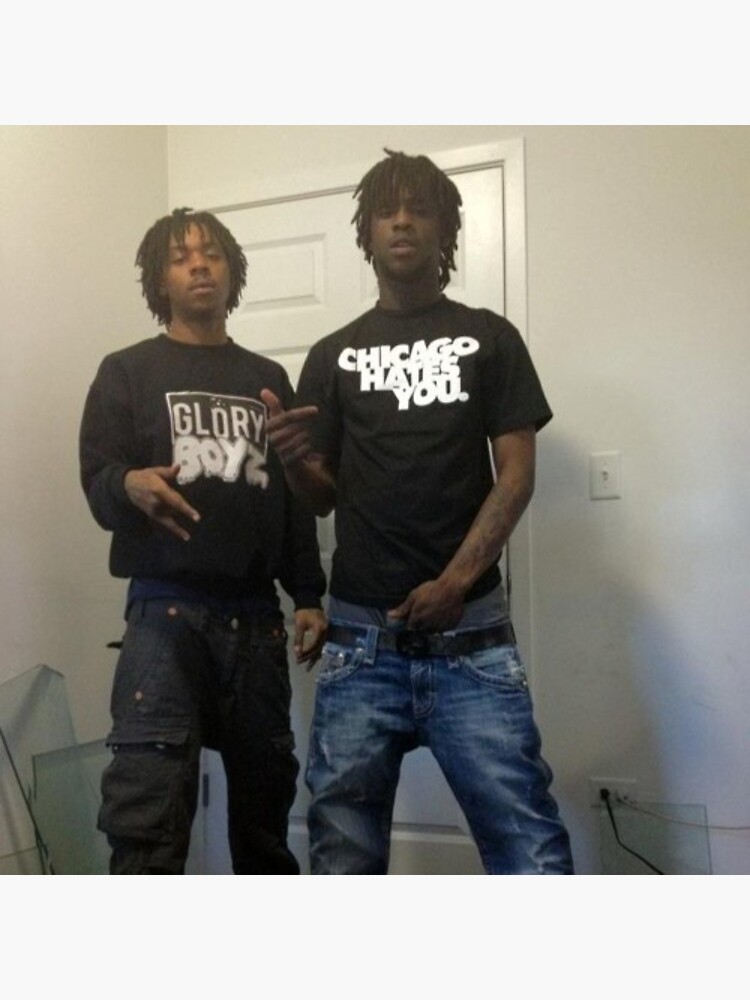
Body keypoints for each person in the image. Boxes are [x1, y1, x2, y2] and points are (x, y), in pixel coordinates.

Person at [262, 149, 573, 875]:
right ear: (366, 233)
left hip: (473, 642)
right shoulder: (333, 354)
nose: (401, 222)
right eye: (386, 211)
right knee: (343, 858)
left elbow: (517, 475)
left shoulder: (490, 337)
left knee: (529, 847)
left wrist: (456, 583)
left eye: (419, 209)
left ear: (445, 230)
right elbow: (322, 496)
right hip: (358, 646)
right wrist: (294, 461)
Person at [80, 208, 326, 875]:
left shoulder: (265, 377)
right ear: (159, 278)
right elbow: (97, 482)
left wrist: (309, 594)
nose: (199, 265)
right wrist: (127, 483)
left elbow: (293, 497)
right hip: (163, 618)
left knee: (265, 829)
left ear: (231, 270)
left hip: (257, 622)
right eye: (181, 256)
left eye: (212, 253)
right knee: (147, 829)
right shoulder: (125, 372)